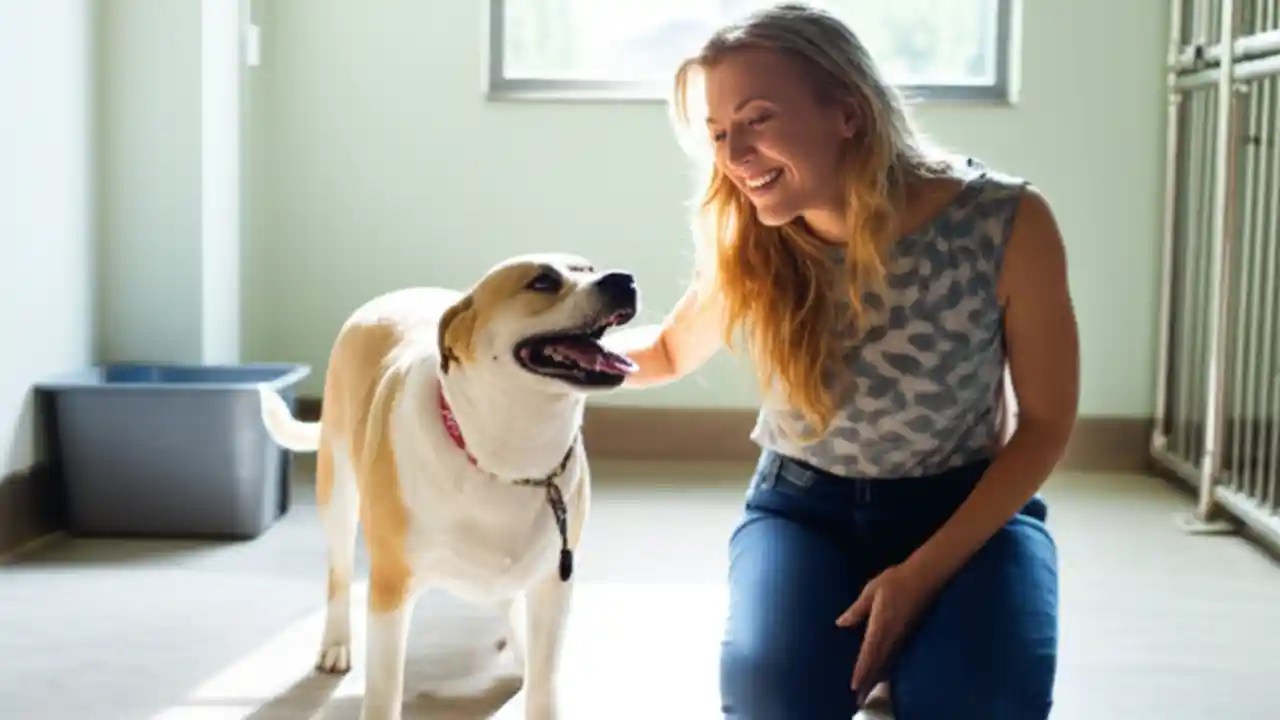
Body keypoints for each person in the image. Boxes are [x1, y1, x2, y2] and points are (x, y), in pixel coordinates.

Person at [602, 3, 1079, 719]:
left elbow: (1044, 424)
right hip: (804, 511)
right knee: (773, 701)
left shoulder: (1007, 221)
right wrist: (536, 359)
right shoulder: (750, 237)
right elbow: (669, 350)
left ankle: (914, 654)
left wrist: (918, 578)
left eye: (758, 119)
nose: (734, 158)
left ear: (847, 113)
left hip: (967, 509)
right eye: (720, 134)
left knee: (983, 703)